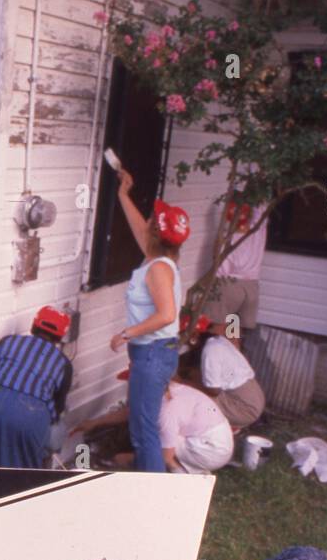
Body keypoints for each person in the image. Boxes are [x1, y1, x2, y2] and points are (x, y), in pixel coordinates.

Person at [109, 168, 189, 472]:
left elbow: (167, 314)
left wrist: (128, 332)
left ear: (157, 233)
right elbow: (140, 230)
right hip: (158, 352)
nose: (149, 223)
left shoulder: (157, 268)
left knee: (144, 433)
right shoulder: (159, 257)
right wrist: (122, 194)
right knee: (143, 428)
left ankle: (151, 495)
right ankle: (148, 486)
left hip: (153, 353)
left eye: (154, 222)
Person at [71, 370, 233, 474]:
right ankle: (193, 465)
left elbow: (166, 458)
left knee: (151, 440)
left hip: (212, 449)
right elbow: (131, 411)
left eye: (132, 385)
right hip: (214, 434)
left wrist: (128, 459)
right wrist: (94, 422)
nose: (129, 388)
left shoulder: (166, 411)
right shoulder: (165, 391)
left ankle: (191, 477)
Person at [0, 306, 73, 468]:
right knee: (23, 467)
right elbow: (58, 406)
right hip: (28, 414)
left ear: (34, 325)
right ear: (60, 335)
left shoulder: (9, 341)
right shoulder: (63, 364)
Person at [182, 317, 266, 432]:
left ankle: (222, 427)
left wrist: (182, 382)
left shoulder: (210, 351)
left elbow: (213, 391)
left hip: (245, 408)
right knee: (194, 378)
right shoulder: (218, 341)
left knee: (188, 395)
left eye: (184, 336)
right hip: (254, 398)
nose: (184, 341)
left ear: (194, 336)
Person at [203, 199, 267, 345]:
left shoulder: (226, 238)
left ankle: (219, 366)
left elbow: (219, 268)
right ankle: (235, 364)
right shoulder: (258, 232)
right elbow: (262, 210)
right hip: (250, 289)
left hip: (228, 287)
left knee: (218, 335)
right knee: (234, 334)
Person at [158, 379, 234, 473]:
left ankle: (181, 473)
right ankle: (196, 467)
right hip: (221, 438)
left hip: (212, 451)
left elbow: (166, 456)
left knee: (157, 439)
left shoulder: (167, 409)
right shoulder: (176, 387)